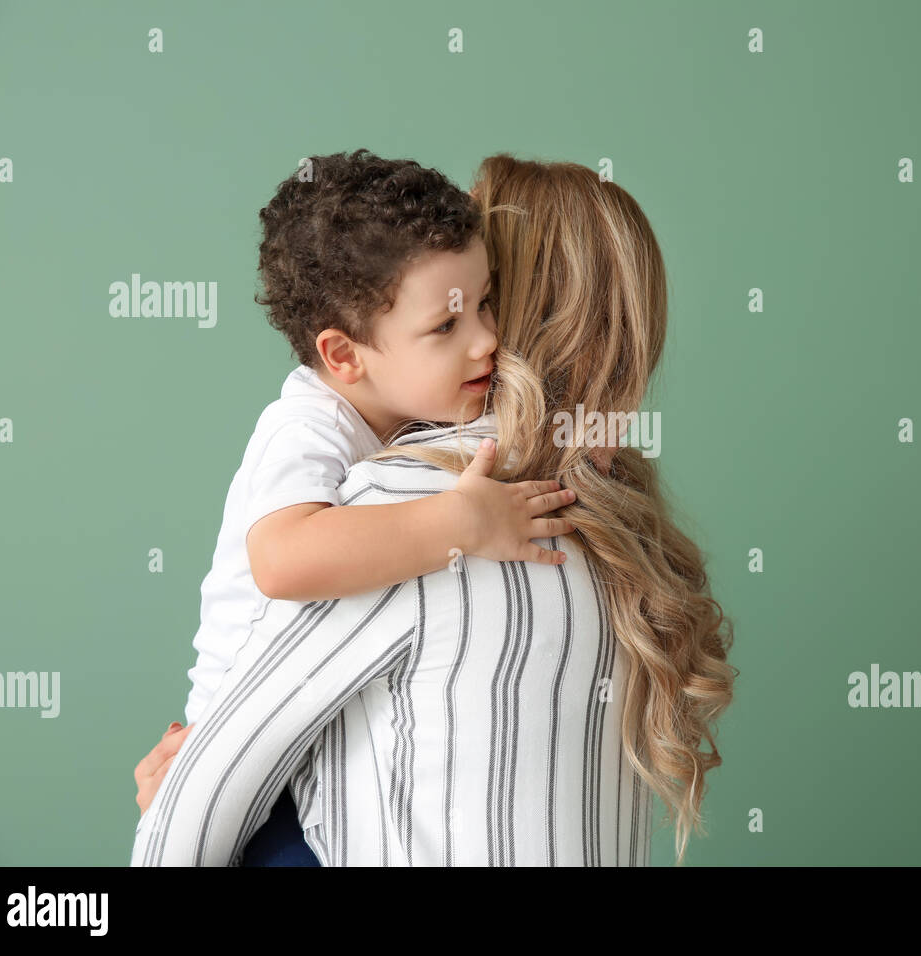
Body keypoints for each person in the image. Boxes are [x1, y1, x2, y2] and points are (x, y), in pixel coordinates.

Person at [132, 153, 737, 866]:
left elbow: (196, 814)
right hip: (227, 730)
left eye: (487, 304)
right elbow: (280, 561)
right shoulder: (347, 456)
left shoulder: (418, 484)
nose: (480, 337)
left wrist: (182, 802)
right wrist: (459, 524)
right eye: (449, 321)